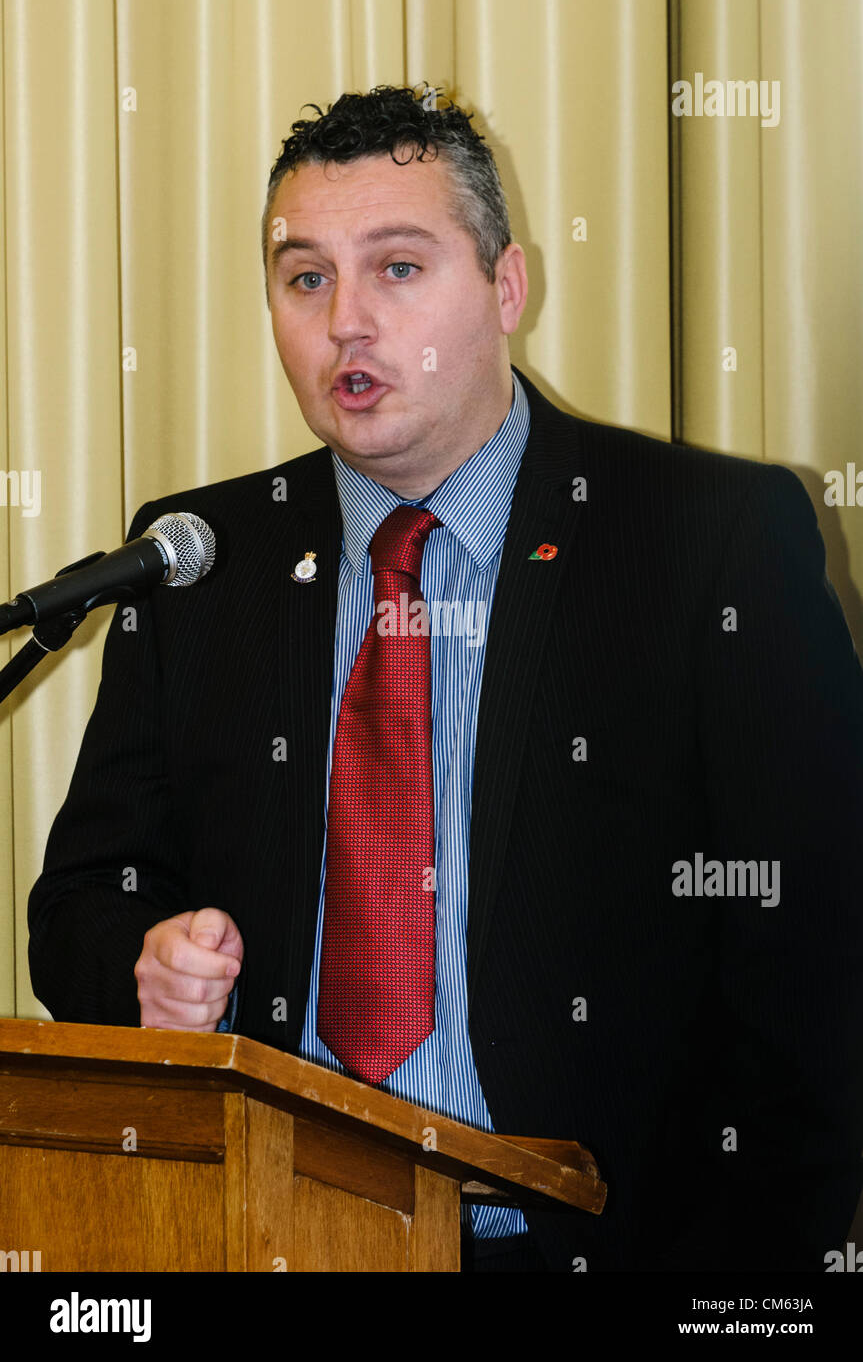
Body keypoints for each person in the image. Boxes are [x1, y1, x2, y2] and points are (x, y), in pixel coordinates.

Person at [28, 85, 863, 1273]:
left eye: (399, 268)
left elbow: (816, 962)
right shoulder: (203, 561)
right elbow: (79, 903)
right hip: (262, 1238)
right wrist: (145, 966)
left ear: (506, 287)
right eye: (305, 278)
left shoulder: (703, 539)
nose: (345, 323)